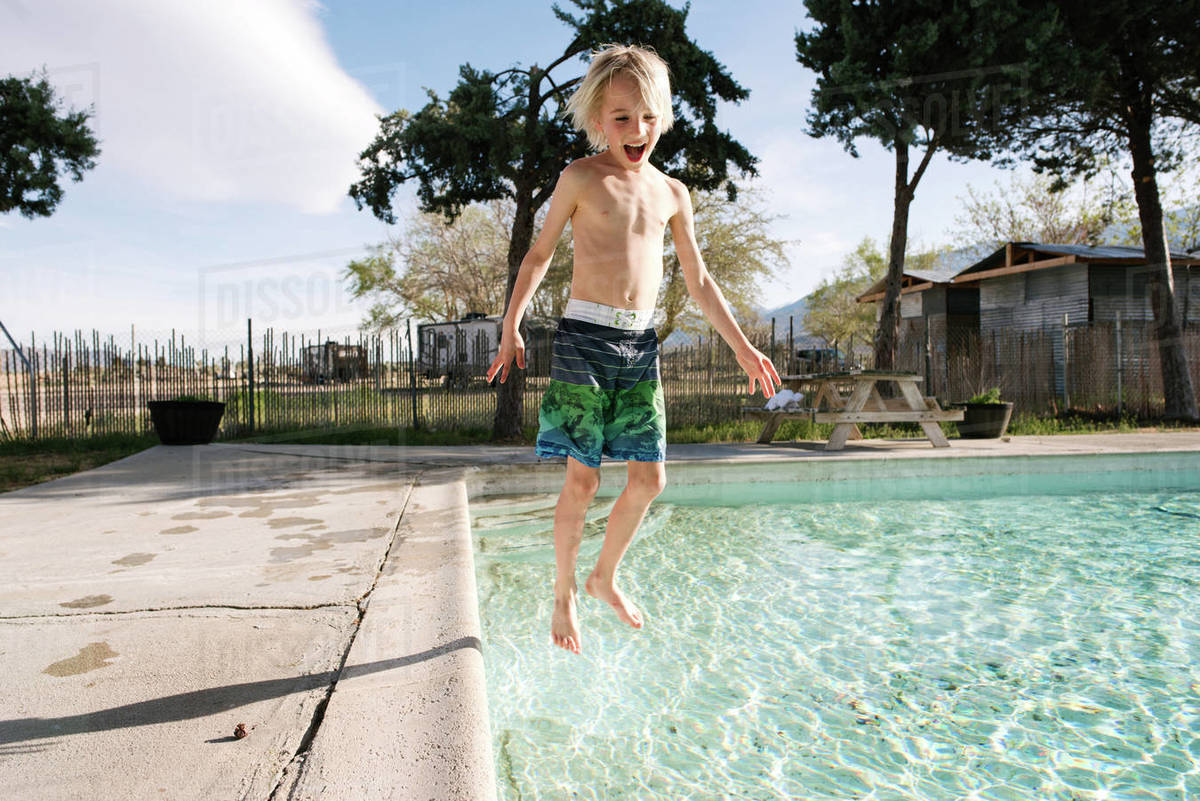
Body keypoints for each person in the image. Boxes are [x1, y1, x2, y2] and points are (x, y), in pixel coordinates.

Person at [485, 44, 779, 655]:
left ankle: (603, 576)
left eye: (646, 116)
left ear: (662, 116)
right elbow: (538, 256)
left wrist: (744, 349)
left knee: (650, 478)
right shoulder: (580, 177)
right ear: (598, 120)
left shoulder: (672, 193)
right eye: (621, 118)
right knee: (585, 482)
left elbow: (698, 281)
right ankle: (564, 591)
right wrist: (511, 324)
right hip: (583, 341)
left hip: (639, 345)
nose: (636, 130)